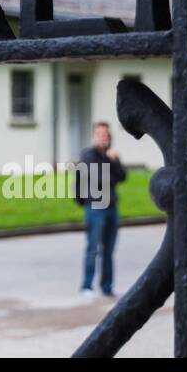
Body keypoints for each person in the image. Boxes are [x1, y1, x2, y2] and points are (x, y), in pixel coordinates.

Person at [75, 120, 127, 299]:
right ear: (94, 136)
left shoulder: (111, 156)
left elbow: (122, 177)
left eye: (106, 135)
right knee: (93, 248)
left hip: (111, 207)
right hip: (95, 206)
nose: (103, 138)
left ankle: (107, 286)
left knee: (109, 250)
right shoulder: (87, 155)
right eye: (100, 135)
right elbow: (98, 178)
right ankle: (86, 286)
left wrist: (116, 161)